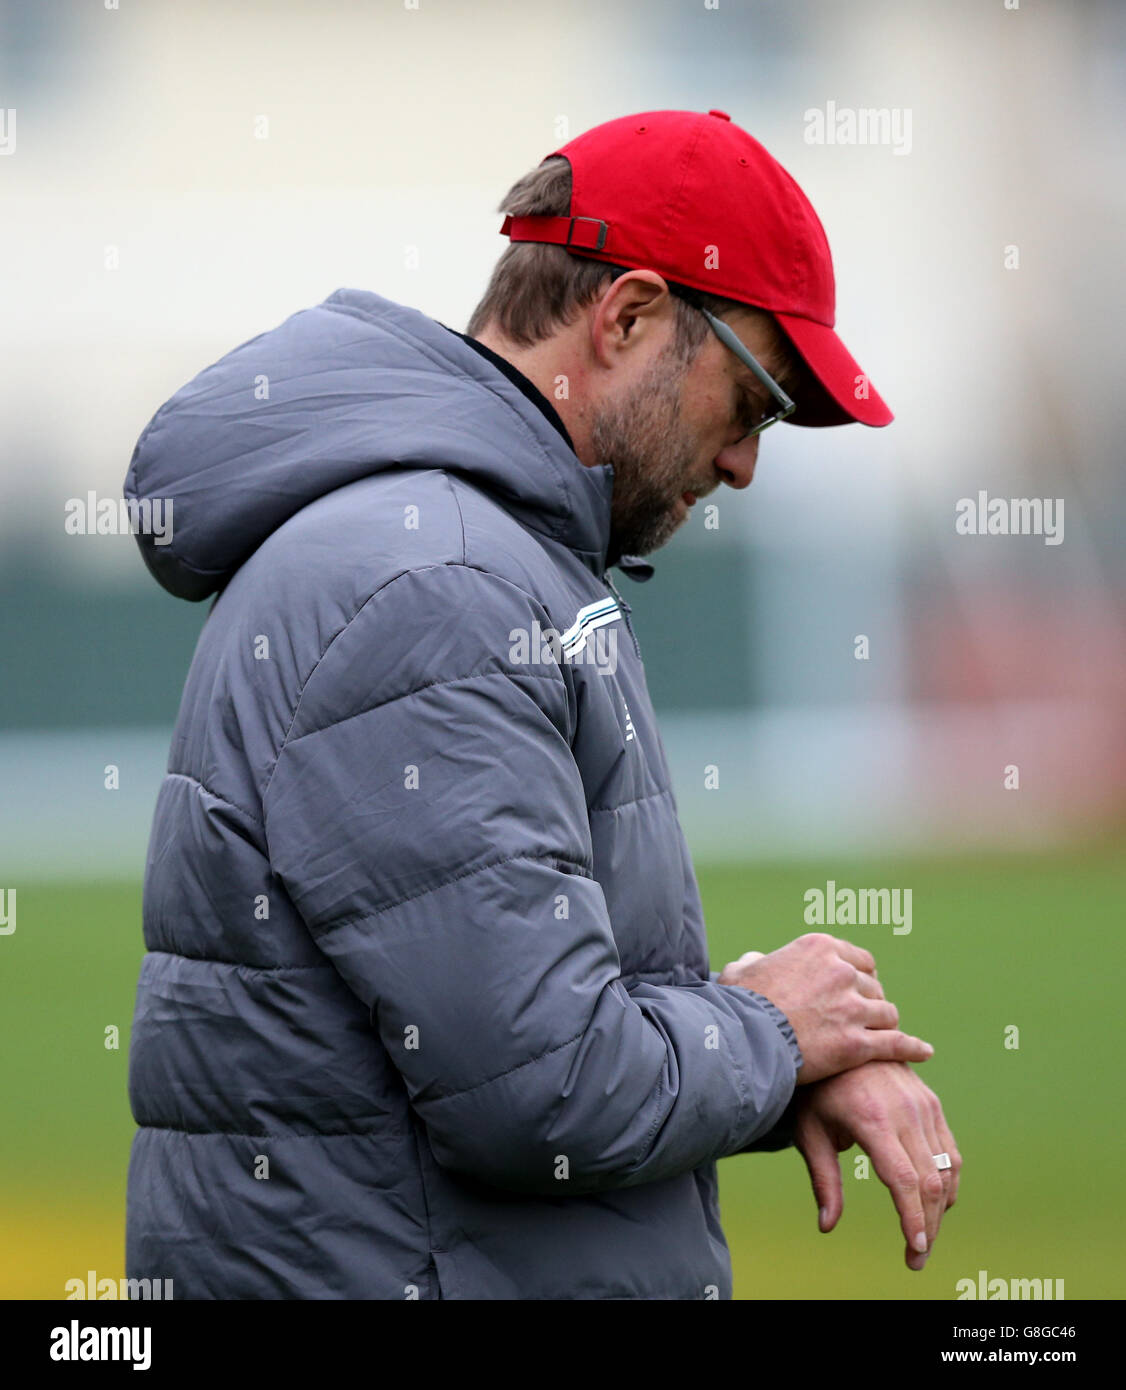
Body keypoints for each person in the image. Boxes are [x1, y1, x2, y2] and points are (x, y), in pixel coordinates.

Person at [124, 108, 960, 1300]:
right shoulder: (438, 581)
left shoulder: (466, 548)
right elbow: (543, 1093)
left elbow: (502, 1027)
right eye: (754, 399)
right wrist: (771, 1033)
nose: (744, 463)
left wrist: (764, 1048)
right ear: (625, 316)